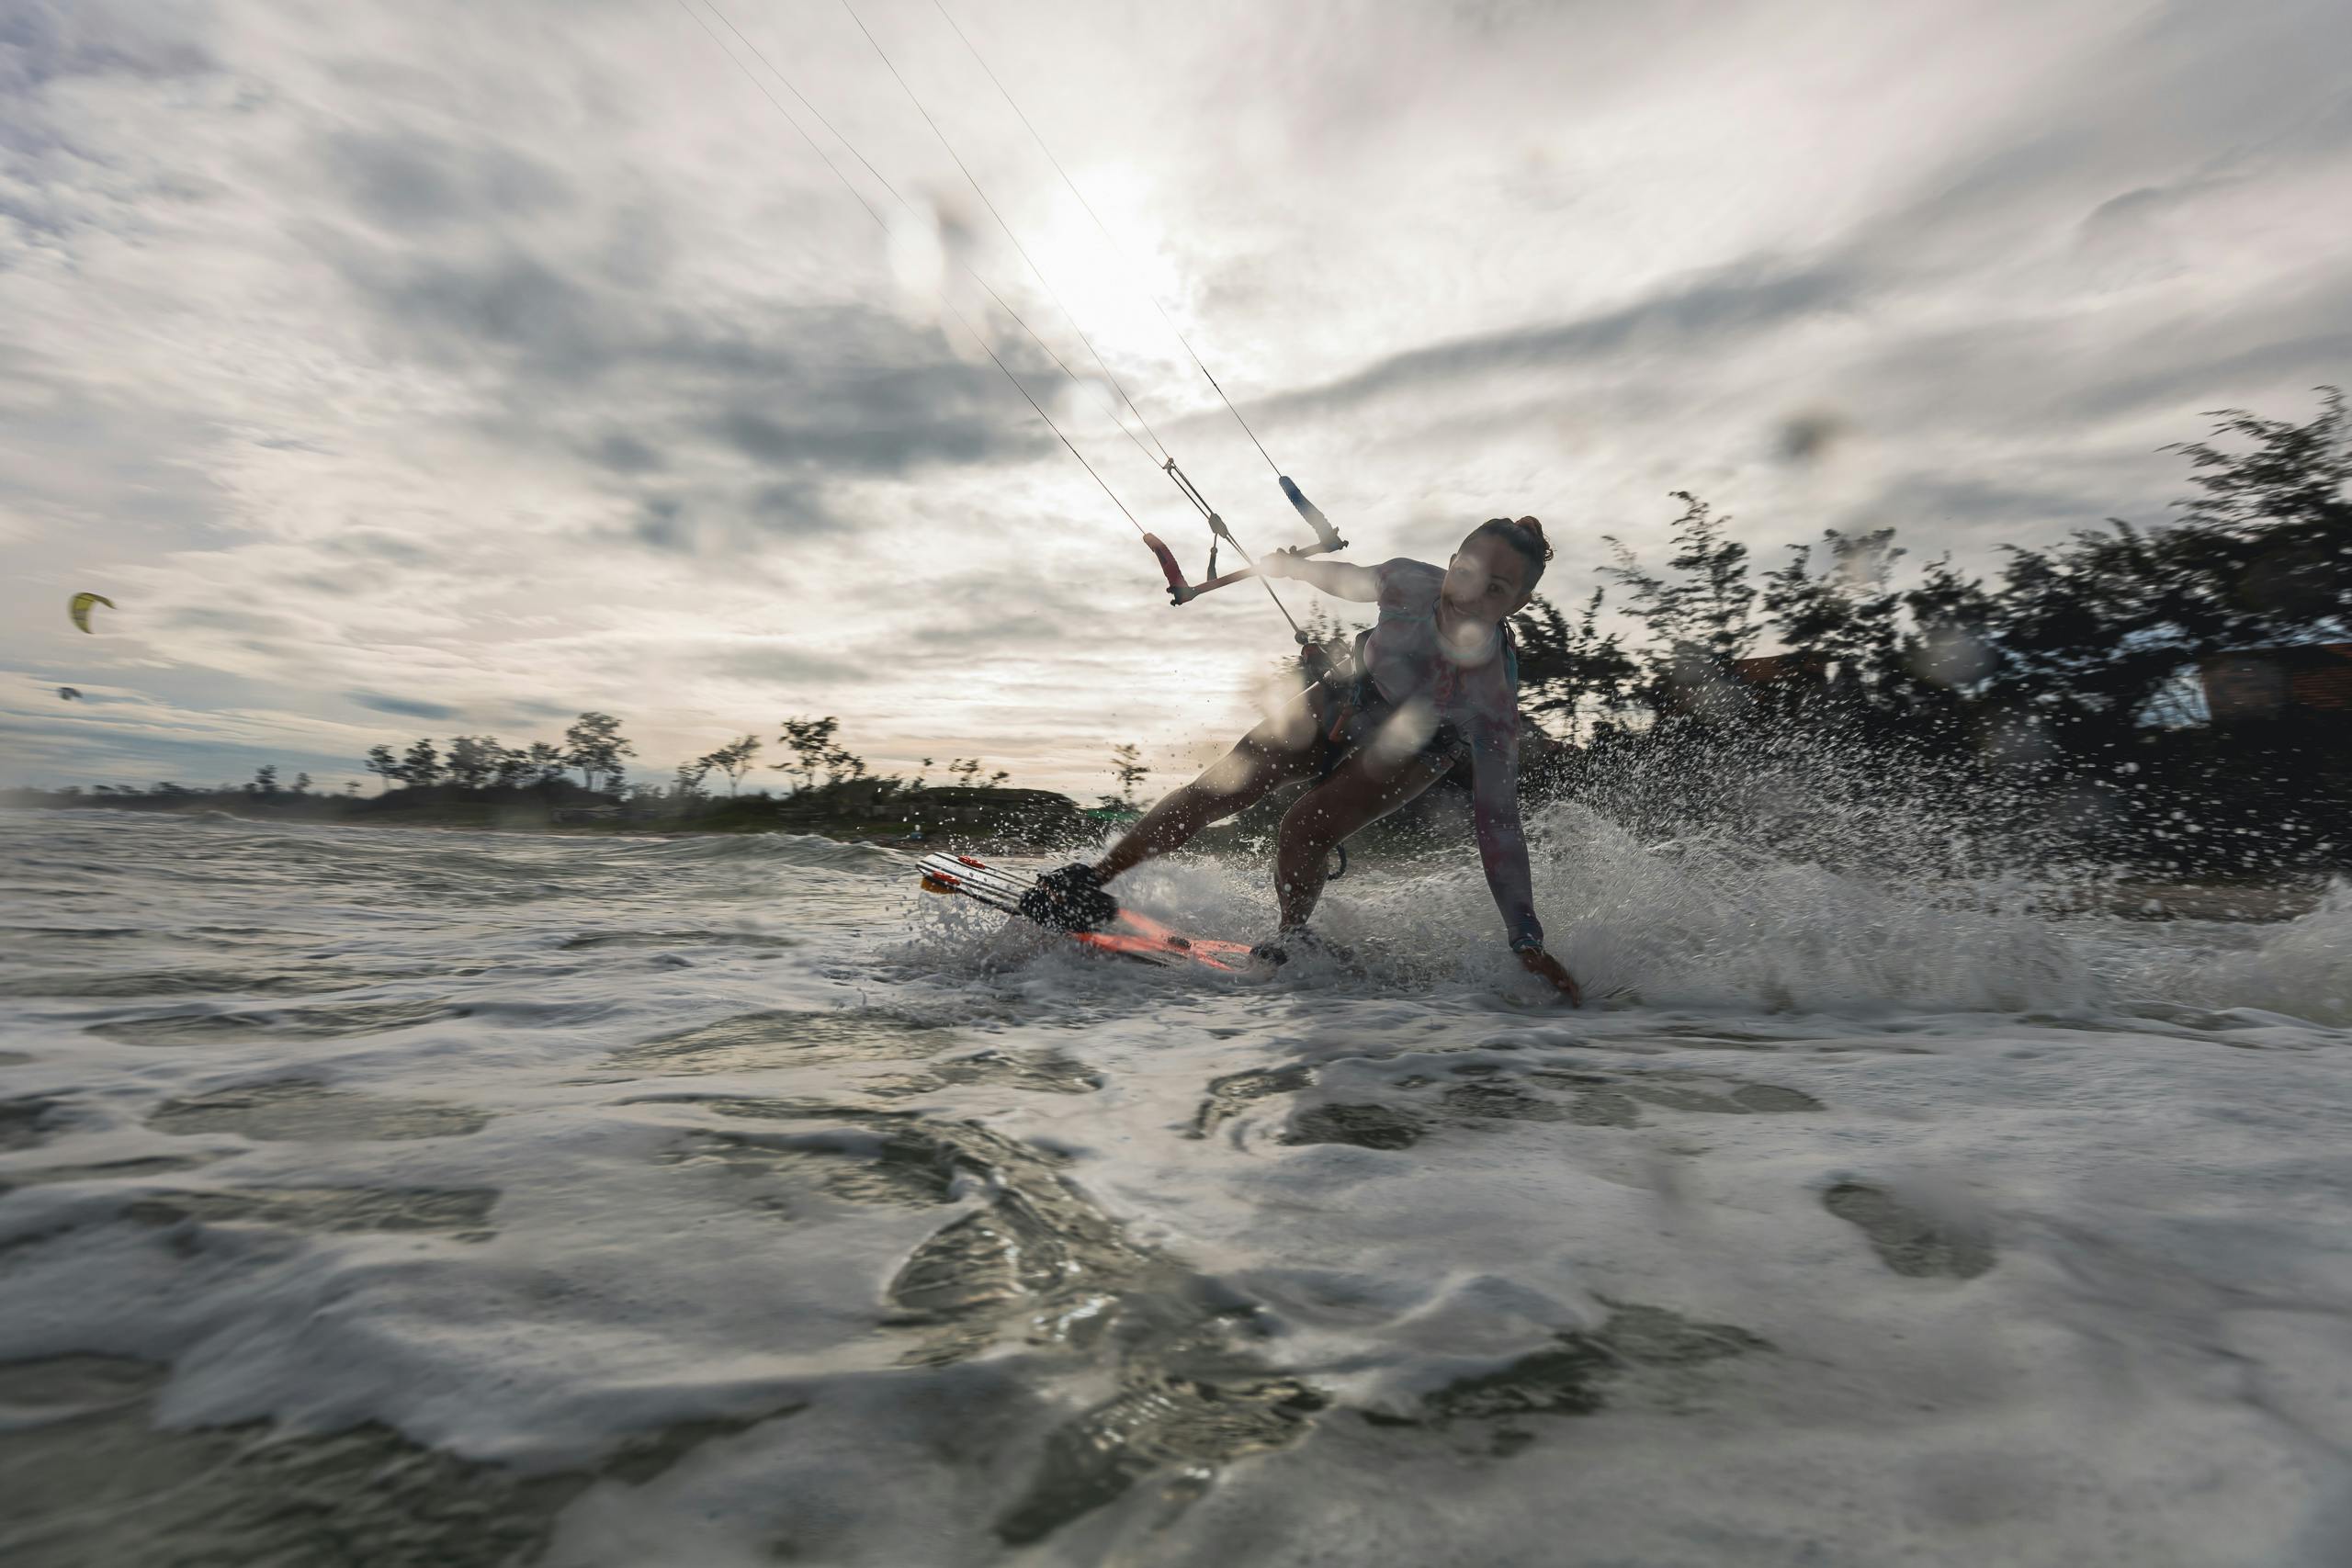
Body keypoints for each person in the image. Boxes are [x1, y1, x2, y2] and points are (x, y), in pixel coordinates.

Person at [1022, 516, 1582, 1004]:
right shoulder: (1409, 581)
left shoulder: (1490, 698)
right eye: (1466, 573)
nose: (1469, 596)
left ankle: (1291, 939)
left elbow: (1498, 821)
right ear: (1453, 561)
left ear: (1518, 604)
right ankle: (1089, 882)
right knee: (1223, 786)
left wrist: (1526, 940)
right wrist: (1294, 568)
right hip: (1351, 697)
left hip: (1420, 744)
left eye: (1495, 590)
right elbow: (1348, 578)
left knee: (1303, 827)